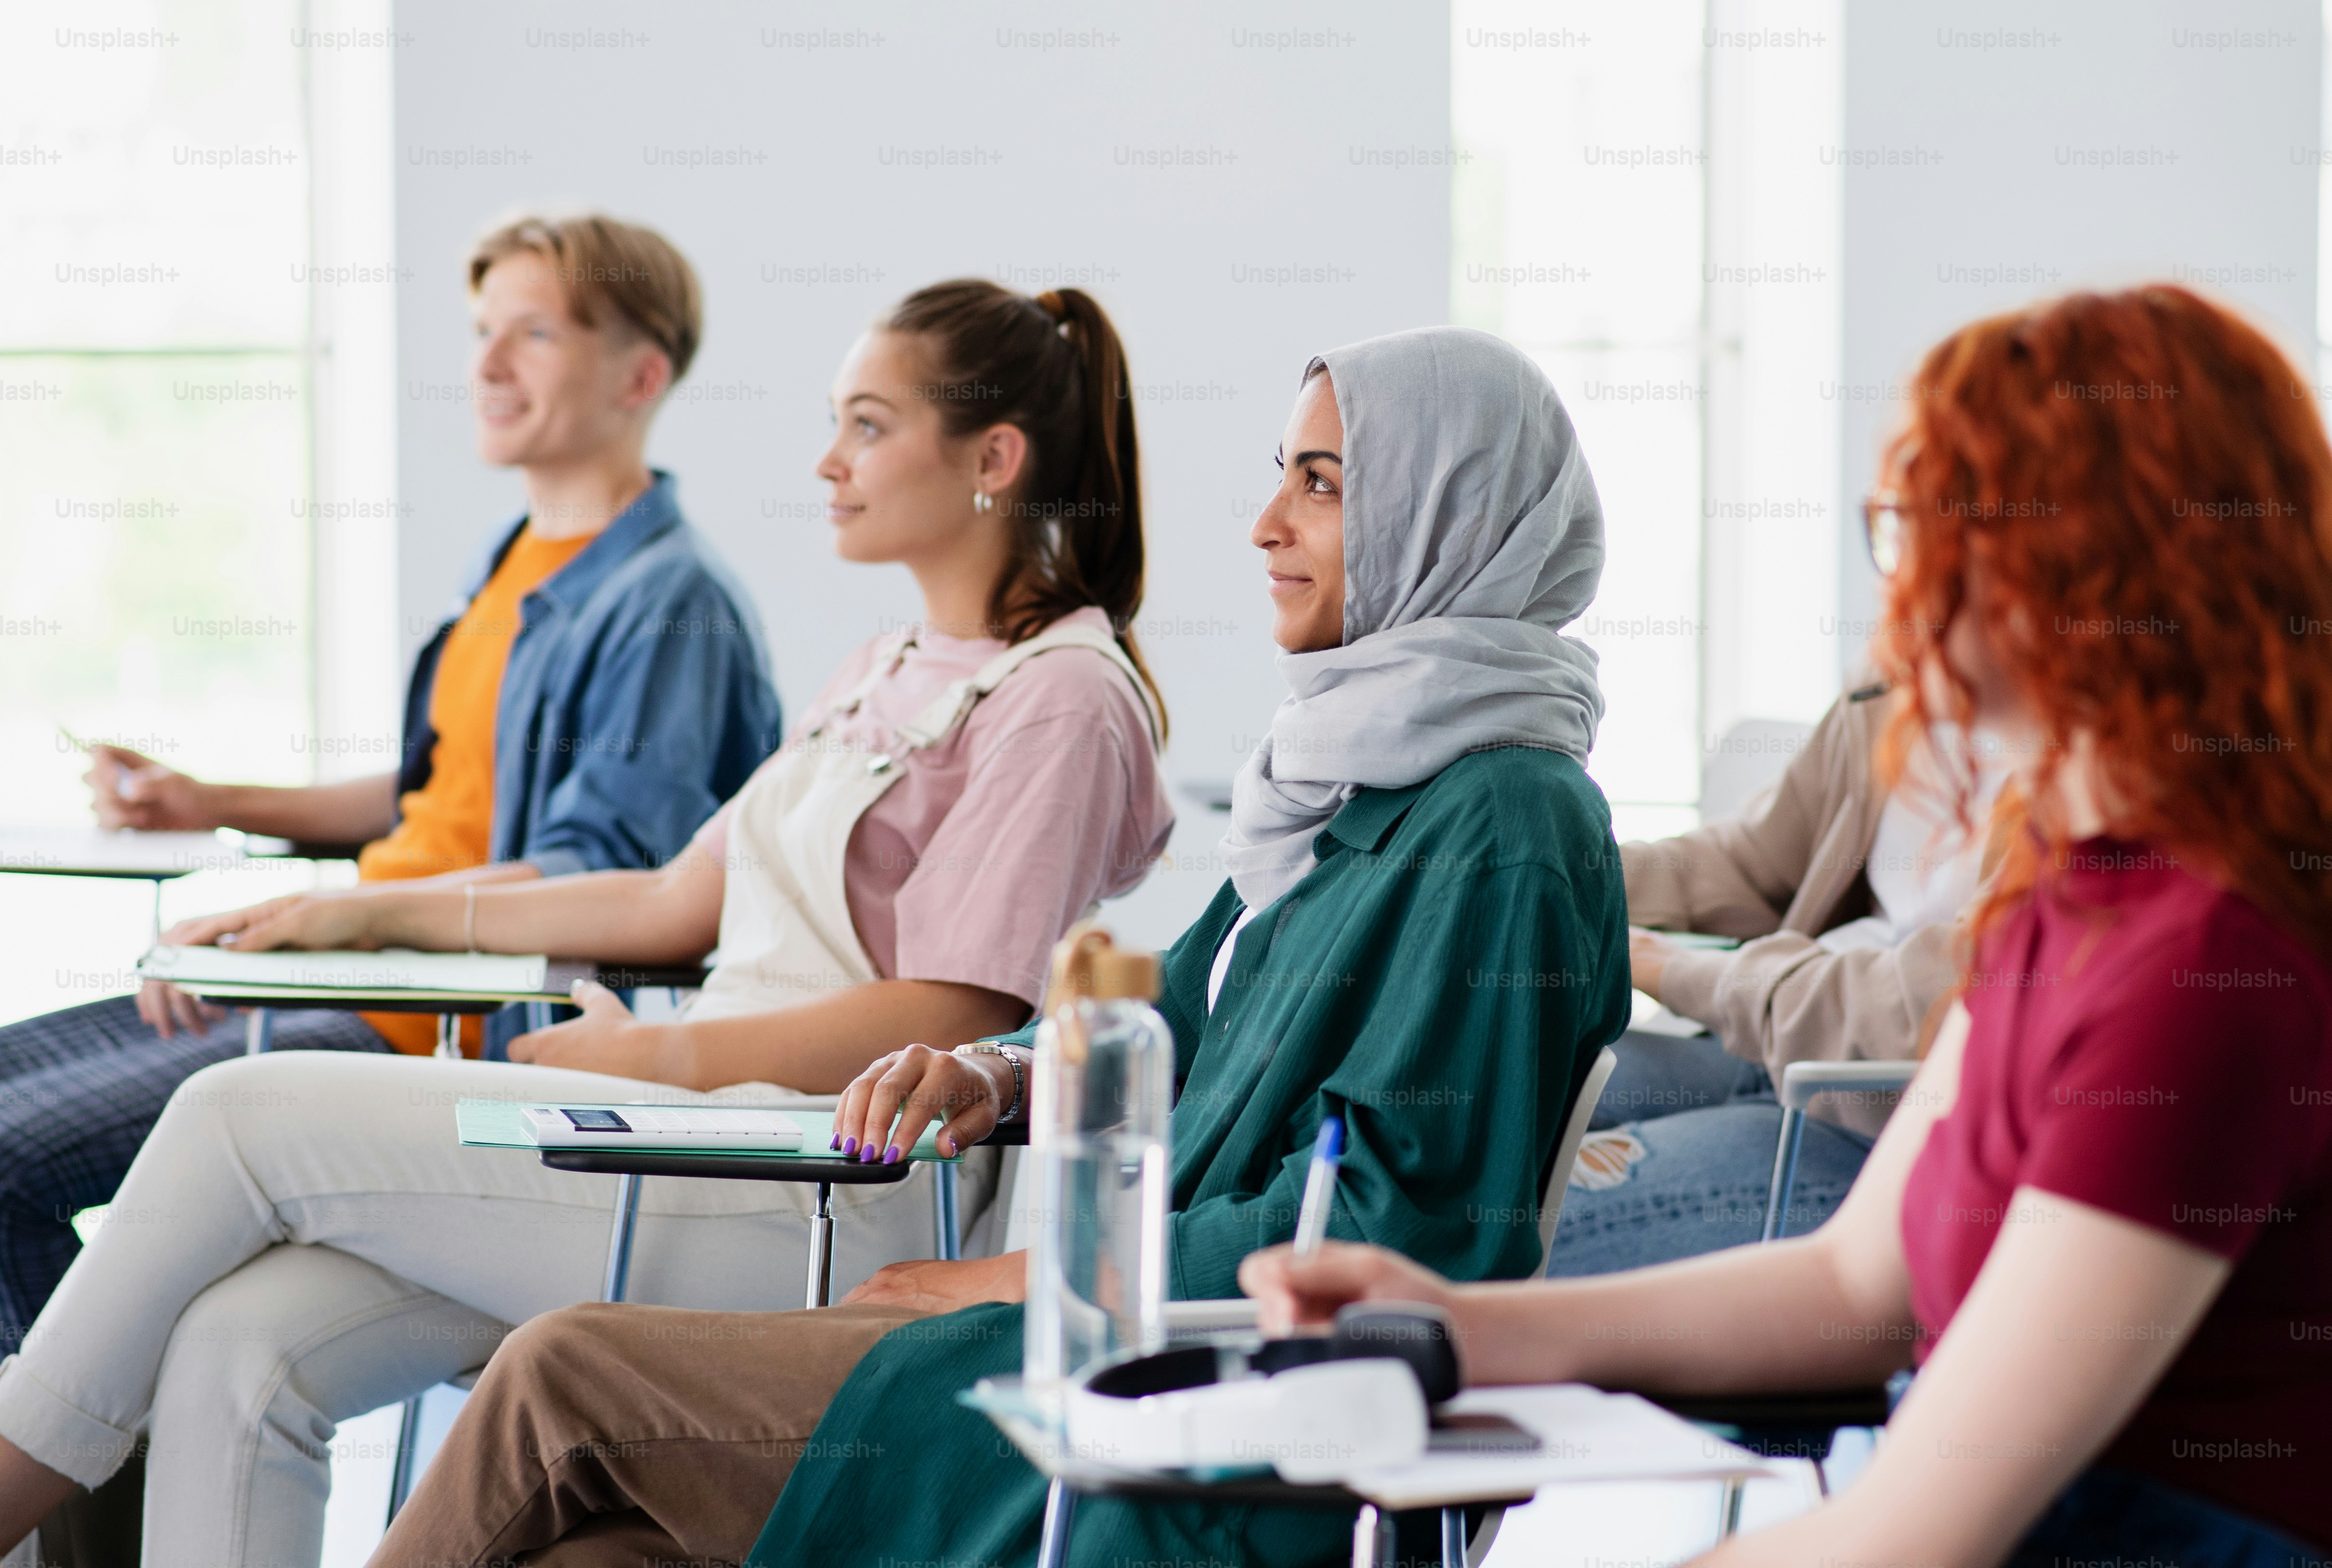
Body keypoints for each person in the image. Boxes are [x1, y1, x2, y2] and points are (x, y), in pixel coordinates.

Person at [1248, 285, 2332, 1568]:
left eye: (1948, 523)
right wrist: (1457, 1319)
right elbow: (1853, 1282)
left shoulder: (2204, 971)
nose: (1906, 580)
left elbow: (1919, 1531)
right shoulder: (2065, 899)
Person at [357, 326, 1628, 1568]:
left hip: (1190, 1411)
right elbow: (1175, 1013)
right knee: (602, 1547)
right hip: (1117, 1359)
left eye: (1322, 483)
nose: (1266, 523)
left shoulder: (1505, 822)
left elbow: (1399, 1232)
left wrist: (1024, 1281)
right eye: (1281, 473)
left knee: (558, 1375)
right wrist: (998, 1072)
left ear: (1451, 518)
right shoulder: (1358, 787)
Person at [0, 279, 1175, 1566]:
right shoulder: (886, 663)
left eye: (868, 425)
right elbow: (671, 896)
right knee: (243, 1341)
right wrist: (361, 908)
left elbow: (956, 1012)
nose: (827, 462)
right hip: (699, 1147)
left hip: (826, 1181)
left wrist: (659, 1059)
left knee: (232, 1113)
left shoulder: (1064, 697)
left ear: (992, 459)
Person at [0, 212, 779, 1349]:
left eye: (534, 334)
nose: (487, 365)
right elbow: (428, 801)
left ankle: (67, 1493)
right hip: (356, 968)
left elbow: (605, 873)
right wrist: (213, 801)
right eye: (480, 332)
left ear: (640, 373)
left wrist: (331, 924)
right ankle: (84, 1479)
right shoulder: (517, 558)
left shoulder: (674, 605)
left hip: (431, 1021)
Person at [1552, 686, 2015, 1273]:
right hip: (1776, 1041)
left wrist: (1678, 971)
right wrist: (1570, 880)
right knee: (1496, 1085)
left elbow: (1937, 1008)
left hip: (1897, 1122)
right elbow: (1757, 860)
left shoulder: (2100, 769)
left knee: (1509, 1221)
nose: (1900, 595)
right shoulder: (1889, 683)